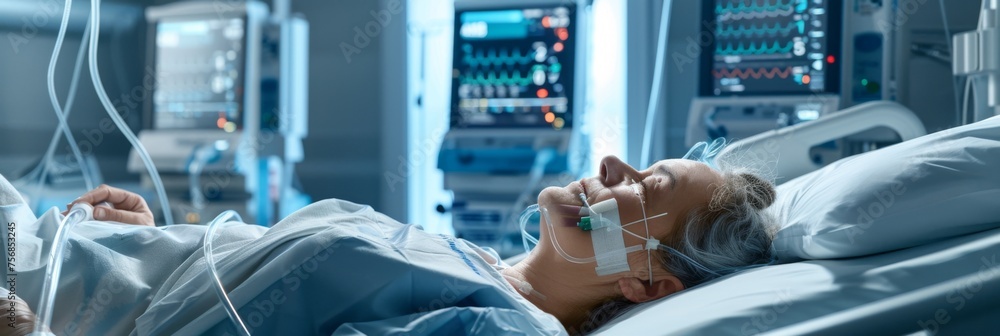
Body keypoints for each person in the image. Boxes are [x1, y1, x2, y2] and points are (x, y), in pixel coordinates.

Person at [0, 155, 776, 335]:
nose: (612, 167)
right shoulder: (473, 264)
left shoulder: (495, 325)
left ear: (646, 285)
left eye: (648, 188)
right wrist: (158, 238)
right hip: (55, 249)